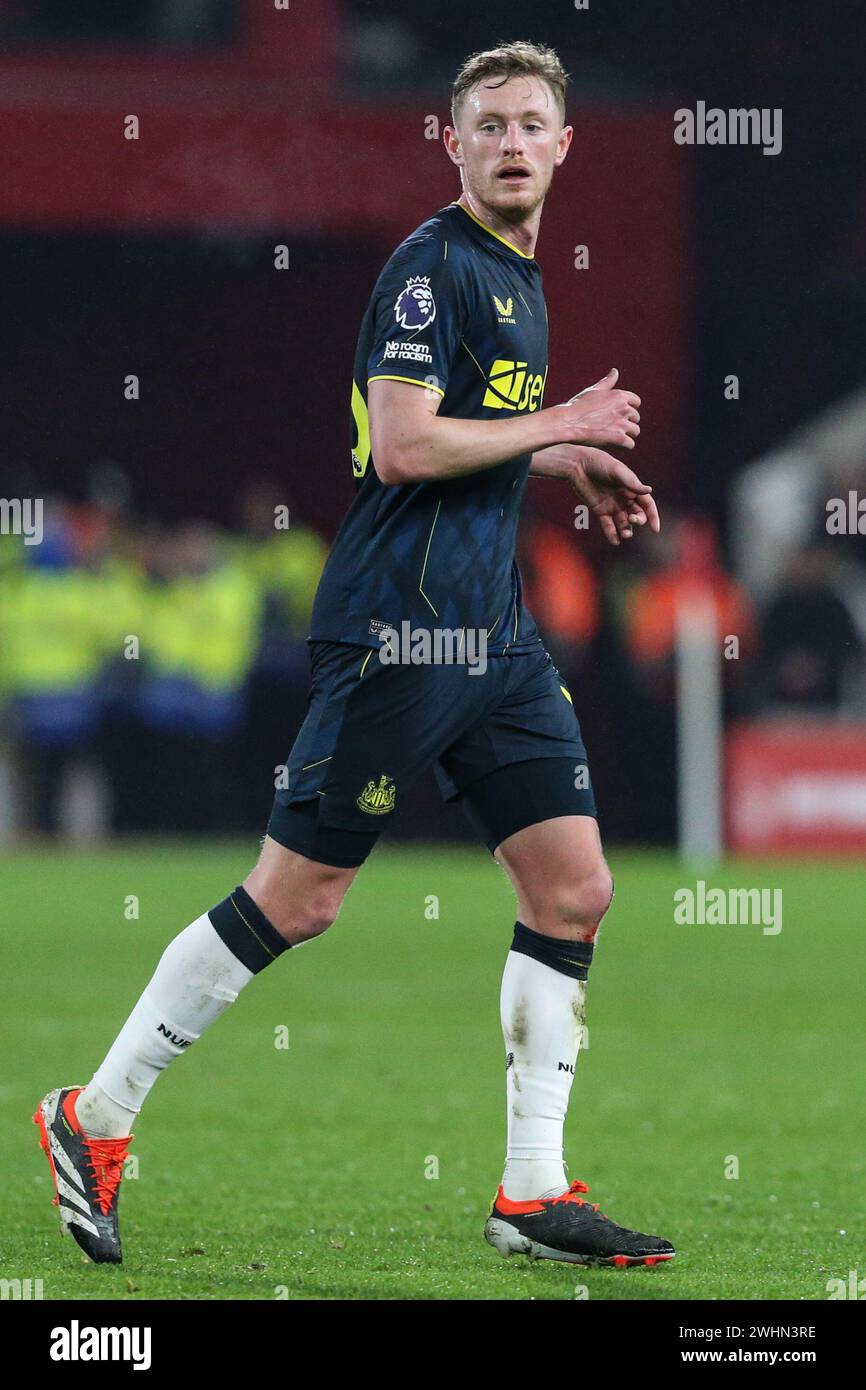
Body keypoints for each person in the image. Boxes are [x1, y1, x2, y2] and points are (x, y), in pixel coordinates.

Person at [34, 40, 672, 1270]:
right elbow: (400, 447)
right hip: (398, 631)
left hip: (492, 635)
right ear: (451, 143)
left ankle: (529, 1193)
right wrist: (567, 419)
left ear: (561, 145)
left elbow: (469, 435)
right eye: (485, 124)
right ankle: (93, 1113)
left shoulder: (518, 273)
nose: (508, 142)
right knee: (301, 899)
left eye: (529, 123)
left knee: (571, 888)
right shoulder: (432, 268)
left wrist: (559, 458)